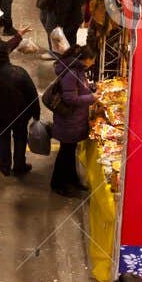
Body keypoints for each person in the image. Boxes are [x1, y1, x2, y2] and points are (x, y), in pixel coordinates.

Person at [0, 46, 39, 176]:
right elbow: (32, 95)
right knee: (20, 138)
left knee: (2, 140)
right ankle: (19, 165)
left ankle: (4, 166)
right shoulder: (19, 72)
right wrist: (36, 115)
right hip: (20, 115)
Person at [49, 44, 97, 199]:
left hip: (74, 121)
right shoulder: (71, 73)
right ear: (86, 59)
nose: (94, 63)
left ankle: (72, 179)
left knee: (69, 153)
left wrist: (92, 87)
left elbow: (80, 87)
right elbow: (70, 98)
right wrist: (92, 98)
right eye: (93, 60)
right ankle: (58, 184)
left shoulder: (78, 70)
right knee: (65, 153)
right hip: (68, 121)